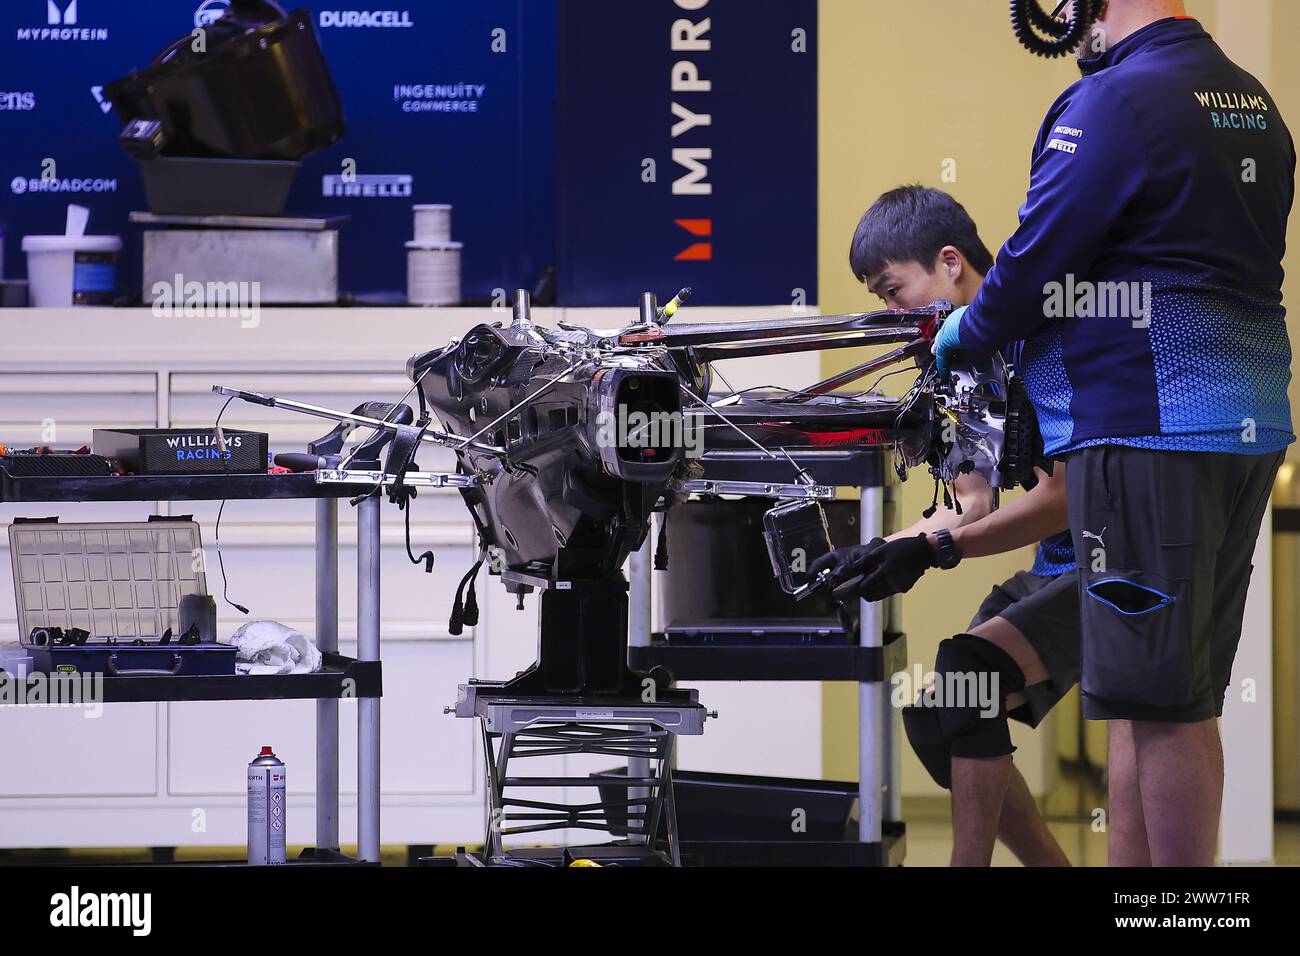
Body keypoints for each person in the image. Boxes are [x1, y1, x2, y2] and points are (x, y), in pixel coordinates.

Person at [931, 1, 1295, 865]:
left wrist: (960, 335)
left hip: (1147, 429)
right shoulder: (1249, 98)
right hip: (1239, 425)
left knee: (1161, 704)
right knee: (1158, 693)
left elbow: (1031, 262)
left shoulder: (1115, 98)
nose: (1059, 17)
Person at [813, 185, 1078, 866]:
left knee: (971, 672)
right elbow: (970, 501)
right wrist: (877, 552)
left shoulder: (1040, 335)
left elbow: (1062, 501)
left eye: (893, 289)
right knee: (936, 719)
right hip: (1059, 562)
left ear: (951, 263)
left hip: (1113, 559)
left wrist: (934, 548)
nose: (892, 311)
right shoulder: (964, 363)